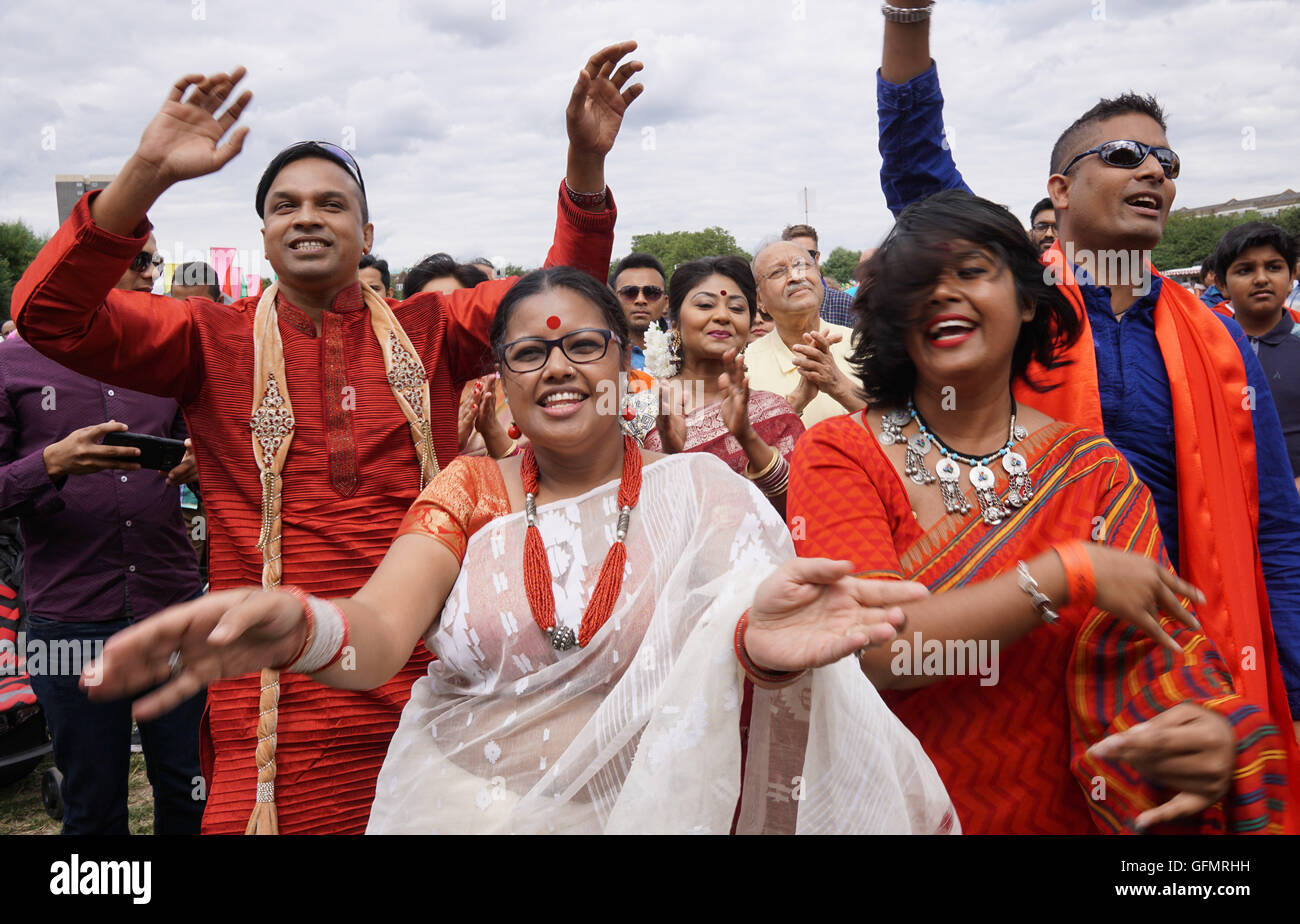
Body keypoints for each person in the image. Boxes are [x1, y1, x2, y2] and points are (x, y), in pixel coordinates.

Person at [82, 266, 958, 835]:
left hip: (646, 814)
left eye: (584, 345)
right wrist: (301, 627)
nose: (559, 368)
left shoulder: (703, 496)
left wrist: (760, 656)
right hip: (459, 812)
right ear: (502, 378)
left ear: (628, 367)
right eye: (530, 351)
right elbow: (379, 633)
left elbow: (748, 652)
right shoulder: (467, 491)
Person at [14, 44, 641, 835]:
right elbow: (49, 316)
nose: (306, 215)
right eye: (285, 205)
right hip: (277, 688)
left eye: (330, 203)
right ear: (266, 234)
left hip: (438, 666)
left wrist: (585, 159)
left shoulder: (435, 327)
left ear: (366, 228)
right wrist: (149, 171)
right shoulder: (207, 337)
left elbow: (562, 305)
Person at [872, 0, 1300, 776]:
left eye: (1167, 161)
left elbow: (1274, 530)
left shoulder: (1219, 339)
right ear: (1059, 191)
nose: (1155, 172)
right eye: (1126, 154)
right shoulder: (1012, 305)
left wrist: (1289, 701)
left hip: (1186, 668)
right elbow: (914, 160)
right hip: (1019, 660)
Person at [790, 189, 1290, 833]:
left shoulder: (1094, 467)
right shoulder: (840, 452)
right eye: (917, 282)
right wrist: (1061, 576)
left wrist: (1205, 731)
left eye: (972, 271)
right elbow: (881, 655)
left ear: (1027, 300)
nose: (944, 292)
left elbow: (1165, 650)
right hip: (906, 810)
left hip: (1074, 813)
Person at [0, 242, 204, 834]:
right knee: (91, 804)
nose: (153, 274)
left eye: (155, 262)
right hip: (70, 619)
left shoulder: (167, 355)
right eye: (140, 260)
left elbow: (221, 455)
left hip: (173, 609)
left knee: (192, 790)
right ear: (83, 268)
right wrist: (51, 462)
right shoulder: (15, 362)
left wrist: (199, 461)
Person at [643, 256, 804, 514]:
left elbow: (800, 510)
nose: (722, 316)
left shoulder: (774, 411)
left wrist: (746, 435)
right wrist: (670, 456)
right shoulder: (640, 410)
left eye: (737, 308)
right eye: (705, 305)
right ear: (674, 322)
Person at [1211, 222, 1300, 488]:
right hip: (1227, 505)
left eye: (1274, 267)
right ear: (1221, 285)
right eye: (1245, 270)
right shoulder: (1203, 349)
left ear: (1292, 277)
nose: (1261, 278)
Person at [745, 240, 866, 428]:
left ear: (818, 276)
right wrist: (795, 404)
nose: (795, 277)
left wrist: (839, 386)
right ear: (760, 300)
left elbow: (902, 430)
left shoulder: (865, 346)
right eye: (777, 272)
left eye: (802, 266)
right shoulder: (746, 367)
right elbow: (748, 450)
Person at [781, 223, 855, 328]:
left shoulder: (844, 305)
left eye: (807, 254)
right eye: (794, 256)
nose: (801, 261)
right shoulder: (778, 306)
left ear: (816, 258)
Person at [609, 251, 668, 369]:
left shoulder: (686, 355)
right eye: (629, 292)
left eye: (652, 292)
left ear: (666, 303)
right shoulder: (599, 355)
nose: (640, 300)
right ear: (614, 301)